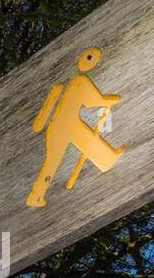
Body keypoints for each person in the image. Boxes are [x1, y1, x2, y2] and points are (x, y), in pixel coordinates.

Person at [27, 47, 124, 208]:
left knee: (53, 161)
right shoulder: (80, 81)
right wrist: (110, 101)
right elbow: (95, 101)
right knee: (54, 161)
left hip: (58, 127)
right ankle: (36, 196)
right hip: (68, 125)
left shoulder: (68, 82)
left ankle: (36, 196)